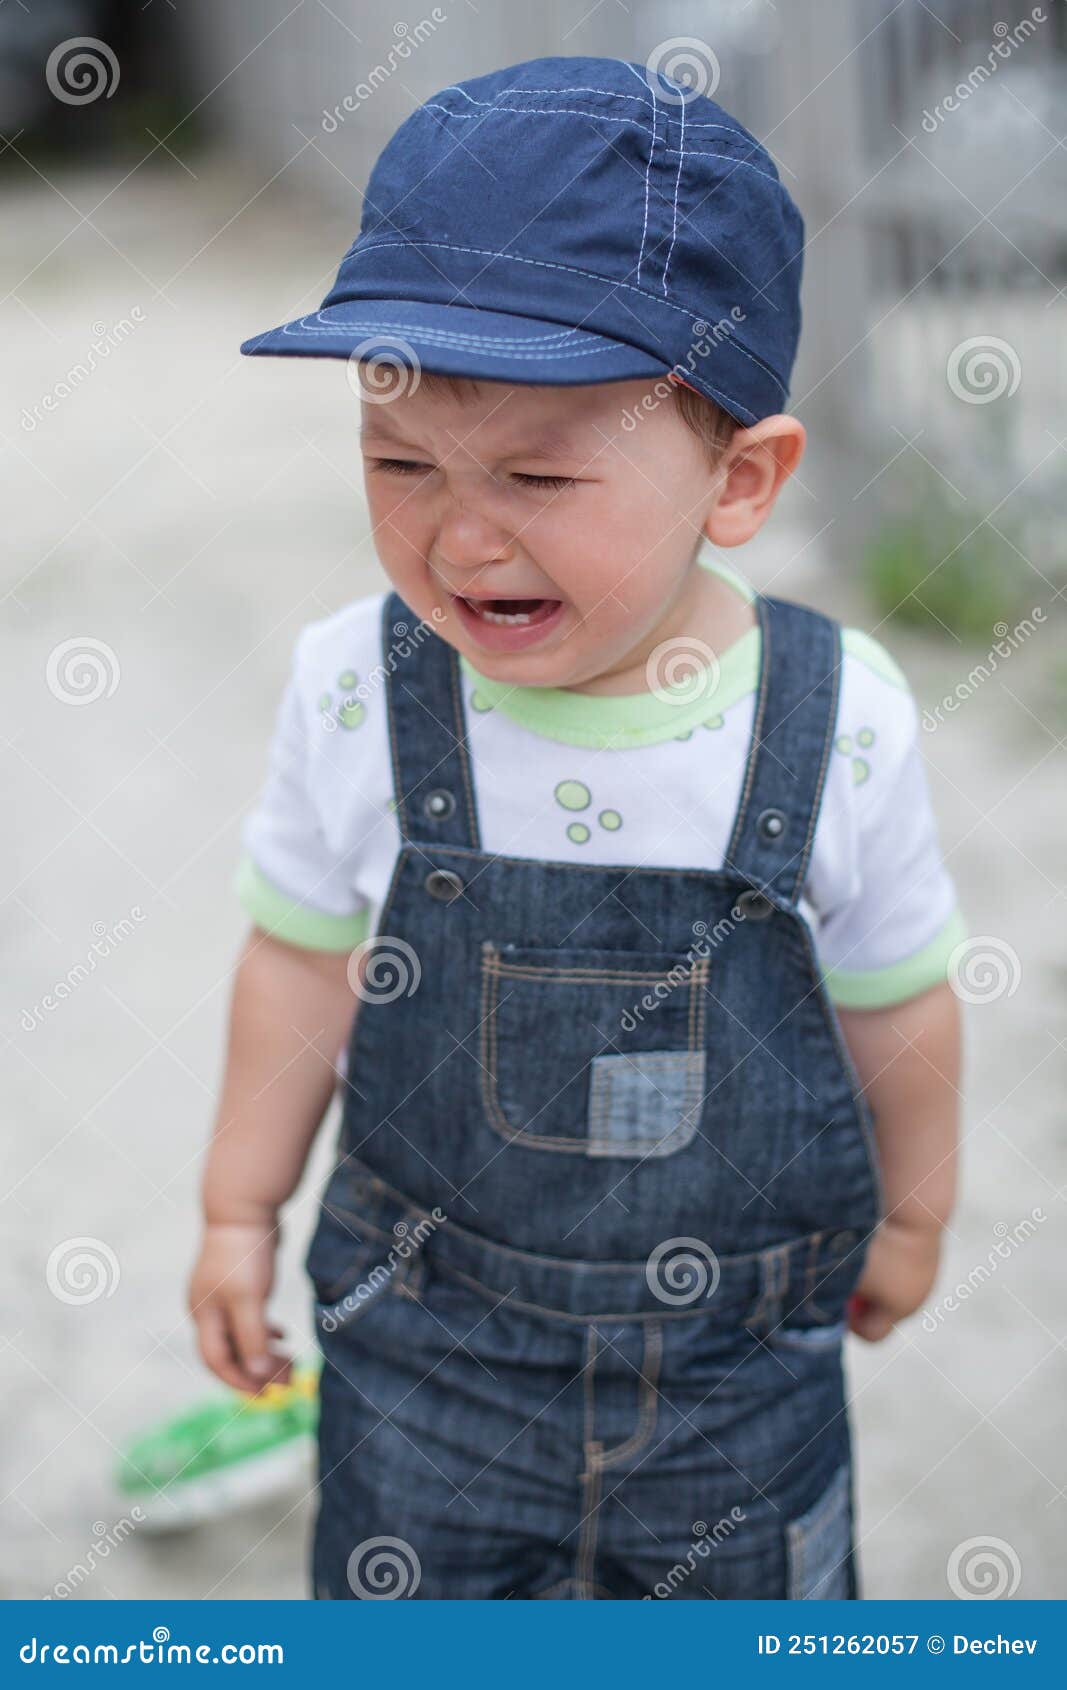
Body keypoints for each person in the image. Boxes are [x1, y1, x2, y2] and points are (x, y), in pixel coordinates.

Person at [188, 56, 965, 1600]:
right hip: (426, 1363)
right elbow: (296, 963)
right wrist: (235, 1208)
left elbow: (901, 1000)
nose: (459, 535)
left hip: (737, 1387)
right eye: (399, 463)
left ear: (740, 479)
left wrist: (921, 1209)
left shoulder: (831, 715)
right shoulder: (359, 688)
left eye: (539, 476)